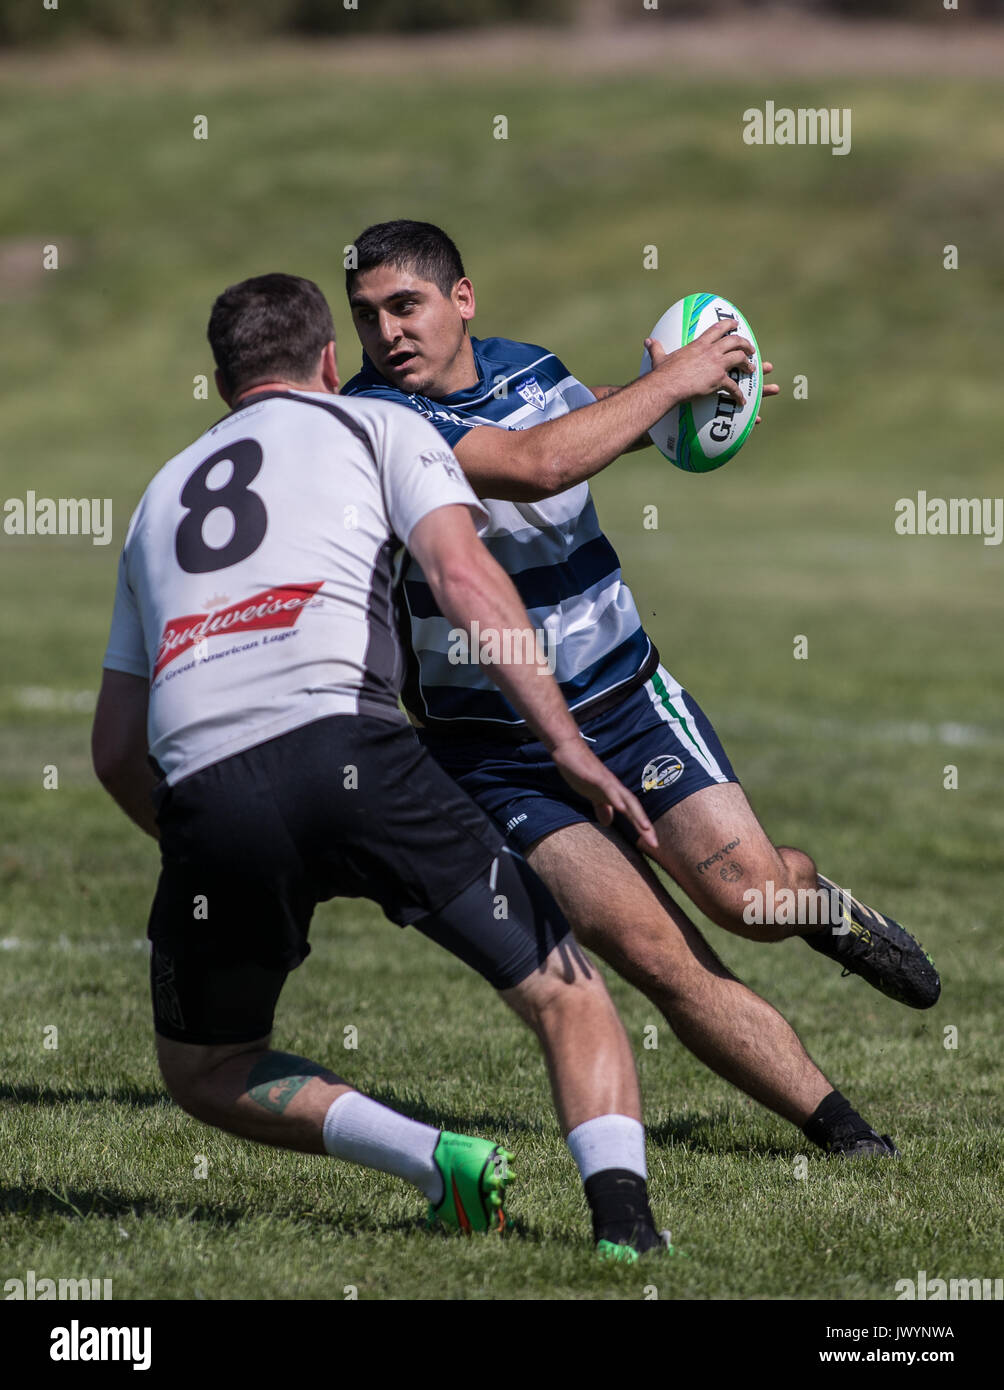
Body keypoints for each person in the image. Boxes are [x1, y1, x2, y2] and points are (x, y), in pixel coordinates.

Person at [91, 272, 673, 1260]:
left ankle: (429, 1158)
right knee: (565, 991)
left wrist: (224, 847)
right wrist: (567, 745)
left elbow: (112, 751)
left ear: (221, 378)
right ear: (328, 361)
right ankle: (624, 1231)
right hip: (356, 751)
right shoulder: (375, 425)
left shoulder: (160, 495)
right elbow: (463, 578)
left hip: (208, 790)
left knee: (205, 1066)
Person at [341, 220, 941, 1160]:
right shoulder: (374, 421)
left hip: (623, 702)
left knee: (751, 903)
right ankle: (850, 1139)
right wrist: (675, 380)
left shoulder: (530, 369)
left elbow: (580, 422)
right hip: (498, 755)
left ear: (462, 299)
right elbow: (538, 464)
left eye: (406, 306)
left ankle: (817, 900)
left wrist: (694, 399)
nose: (389, 334)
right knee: (660, 956)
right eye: (368, 317)